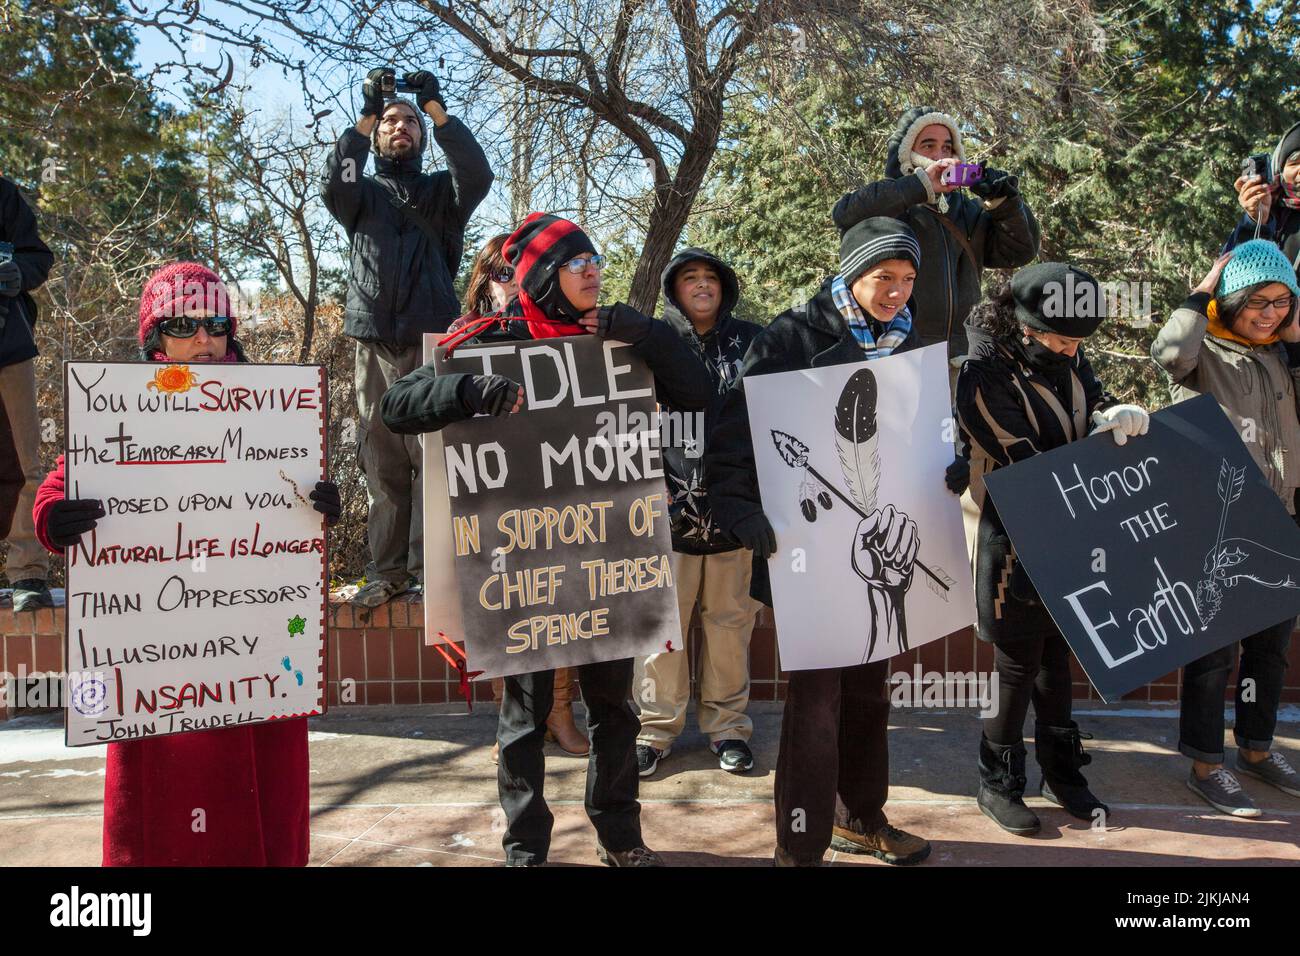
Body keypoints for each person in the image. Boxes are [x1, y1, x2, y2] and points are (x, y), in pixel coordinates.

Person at [380, 213, 712, 866]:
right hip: (522, 560)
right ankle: (525, 848)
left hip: (608, 555)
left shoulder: (617, 339)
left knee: (614, 711)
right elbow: (396, 408)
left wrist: (647, 334)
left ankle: (622, 838)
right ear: (540, 276)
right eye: (575, 261)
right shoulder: (484, 339)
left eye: (594, 259)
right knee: (524, 720)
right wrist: (467, 389)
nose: (592, 269)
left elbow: (698, 394)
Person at [31, 262, 342, 866]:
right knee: (164, 828)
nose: (204, 339)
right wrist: (54, 517)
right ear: (155, 337)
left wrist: (316, 504)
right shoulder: (117, 411)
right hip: (161, 666)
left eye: (216, 324)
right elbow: (58, 488)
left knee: (264, 815)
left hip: (253, 654)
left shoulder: (275, 413)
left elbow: (291, 504)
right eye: (184, 324)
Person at [707, 216, 933, 866]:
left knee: (869, 693)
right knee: (816, 704)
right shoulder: (789, 337)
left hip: (885, 553)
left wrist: (942, 468)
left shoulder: (912, 344)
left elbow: (924, 437)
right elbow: (730, 437)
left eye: (908, 279)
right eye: (883, 277)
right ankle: (798, 848)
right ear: (851, 272)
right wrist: (740, 511)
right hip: (806, 555)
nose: (896, 292)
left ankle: (861, 819)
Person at [956, 262, 1149, 836]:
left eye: (1078, 342)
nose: (1071, 351)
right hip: (1014, 536)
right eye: (1061, 339)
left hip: (1076, 532)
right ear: (1023, 324)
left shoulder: (1071, 358)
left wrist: (1115, 415)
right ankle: (998, 781)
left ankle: (1062, 773)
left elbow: (1095, 399)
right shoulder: (981, 373)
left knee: (1060, 659)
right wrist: (1094, 445)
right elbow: (1024, 460)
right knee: (1017, 663)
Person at [321, 67, 493, 608]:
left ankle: (426, 570)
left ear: (422, 138)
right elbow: (335, 181)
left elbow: (478, 173)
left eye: (409, 123)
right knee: (383, 461)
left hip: (431, 345)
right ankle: (386, 570)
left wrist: (436, 109)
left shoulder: (444, 195)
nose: (402, 128)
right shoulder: (362, 198)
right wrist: (368, 111)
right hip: (372, 343)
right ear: (376, 139)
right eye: (391, 123)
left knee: (431, 459)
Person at [1152, 240, 1300, 816]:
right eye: (1258, 301)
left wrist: (1291, 334)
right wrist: (1202, 291)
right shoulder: (1205, 351)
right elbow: (1167, 352)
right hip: (1216, 521)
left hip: (1282, 516)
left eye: (1283, 302)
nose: (1270, 314)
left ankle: (1257, 751)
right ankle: (1206, 765)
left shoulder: (1282, 357)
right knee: (1213, 652)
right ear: (1230, 298)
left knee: (1271, 651)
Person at [457, 234, 589, 762]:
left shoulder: (566, 331)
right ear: (483, 284)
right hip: (494, 501)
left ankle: (559, 710)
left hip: (562, 493)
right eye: (499, 275)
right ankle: (510, 719)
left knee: (565, 602)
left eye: (519, 275)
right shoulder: (463, 337)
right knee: (502, 610)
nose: (510, 285)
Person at [634, 248, 764, 778]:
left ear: (725, 287)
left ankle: (729, 727)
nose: (703, 285)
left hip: (734, 513)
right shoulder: (648, 347)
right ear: (674, 289)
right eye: (691, 277)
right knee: (660, 632)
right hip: (665, 516)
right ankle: (655, 731)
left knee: (730, 628)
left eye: (712, 276)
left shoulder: (754, 342)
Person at [832, 107, 1040, 380]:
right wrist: (919, 187)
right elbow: (845, 215)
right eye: (928, 145)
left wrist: (1003, 202)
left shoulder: (968, 211)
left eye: (947, 147)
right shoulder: (890, 201)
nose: (940, 155)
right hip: (899, 356)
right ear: (907, 152)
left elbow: (1019, 251)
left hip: (962, 356)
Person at [0, 175, 55, 612]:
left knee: (24, 463)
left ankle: (28, 574)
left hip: (7, 345)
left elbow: (38, 256)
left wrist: (17, 272)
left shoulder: (2, 193)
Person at [1223, 121, 1300, 269]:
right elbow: (1233, 270)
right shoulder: (1272, 212)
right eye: (1295, 162)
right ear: (1280, 168)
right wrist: (1255, 221)